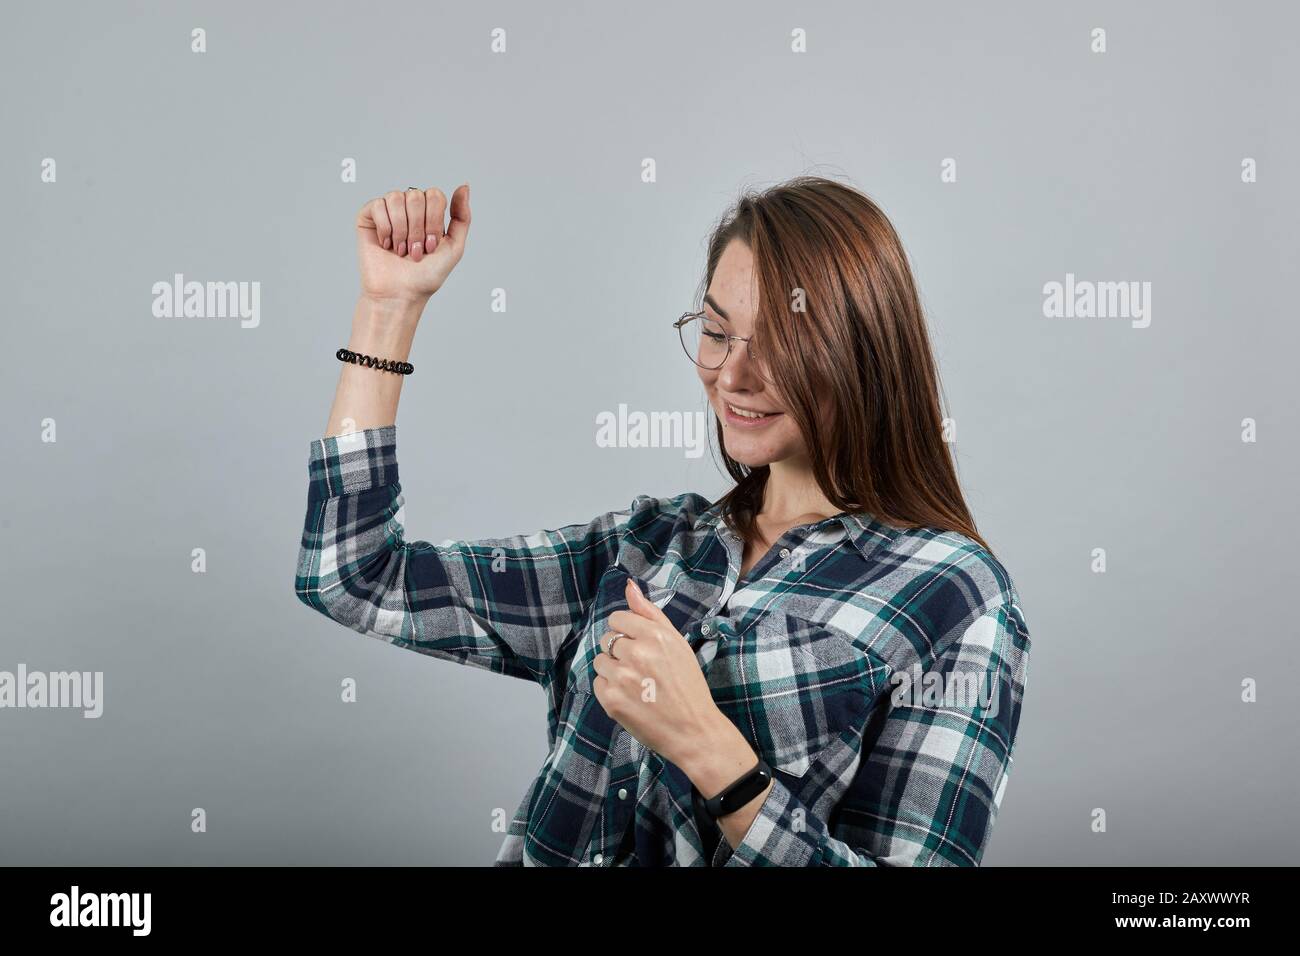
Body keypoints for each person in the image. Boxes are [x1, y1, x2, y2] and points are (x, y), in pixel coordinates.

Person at [294, 175, 1031, 866]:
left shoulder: (956, 594)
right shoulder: (646, 548)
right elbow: (353, 575)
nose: (734, 376)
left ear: (860, 350)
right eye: (717, 332)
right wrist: (388, 311)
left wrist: (713, 752)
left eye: (780, 343)